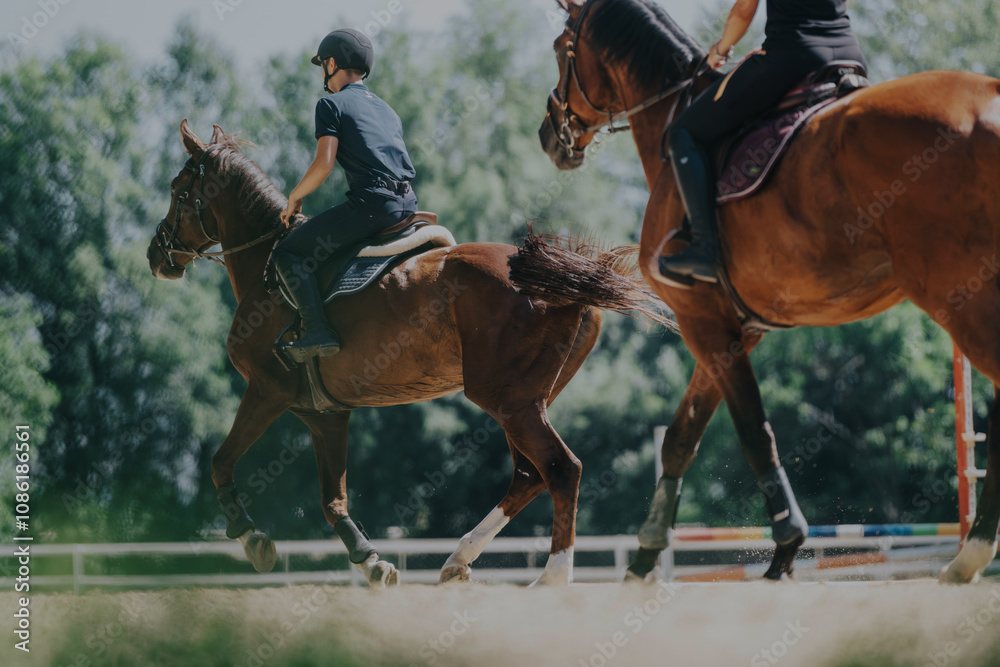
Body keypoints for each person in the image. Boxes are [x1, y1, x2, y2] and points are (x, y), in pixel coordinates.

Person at [657, 0, 867, 285]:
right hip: (849, 56)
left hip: (793, 53)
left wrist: (720, 50)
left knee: (683, 133)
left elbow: (744, 9)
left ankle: (705, 247)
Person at [274, 28, 417, 360]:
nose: (323, 73)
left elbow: (323, 165)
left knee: (287, 254)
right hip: (409, 204)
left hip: (373, 205)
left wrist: (294, 197)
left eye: (323, 65)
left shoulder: (330, 104)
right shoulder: (389, 111)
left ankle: (318, 330)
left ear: (332, 63)